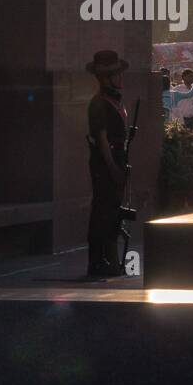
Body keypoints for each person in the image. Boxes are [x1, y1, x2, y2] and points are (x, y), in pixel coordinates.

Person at [84, 50, 130, 278]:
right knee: (102, 212)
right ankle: (98, 261)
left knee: (112, 212)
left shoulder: (113, 101)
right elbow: (102, 139)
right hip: (105, 163)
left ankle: (110, 260)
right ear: (105, 78)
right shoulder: (99, 104)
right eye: (115, 74)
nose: (120, 78)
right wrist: (113, 168)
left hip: (117, 159)